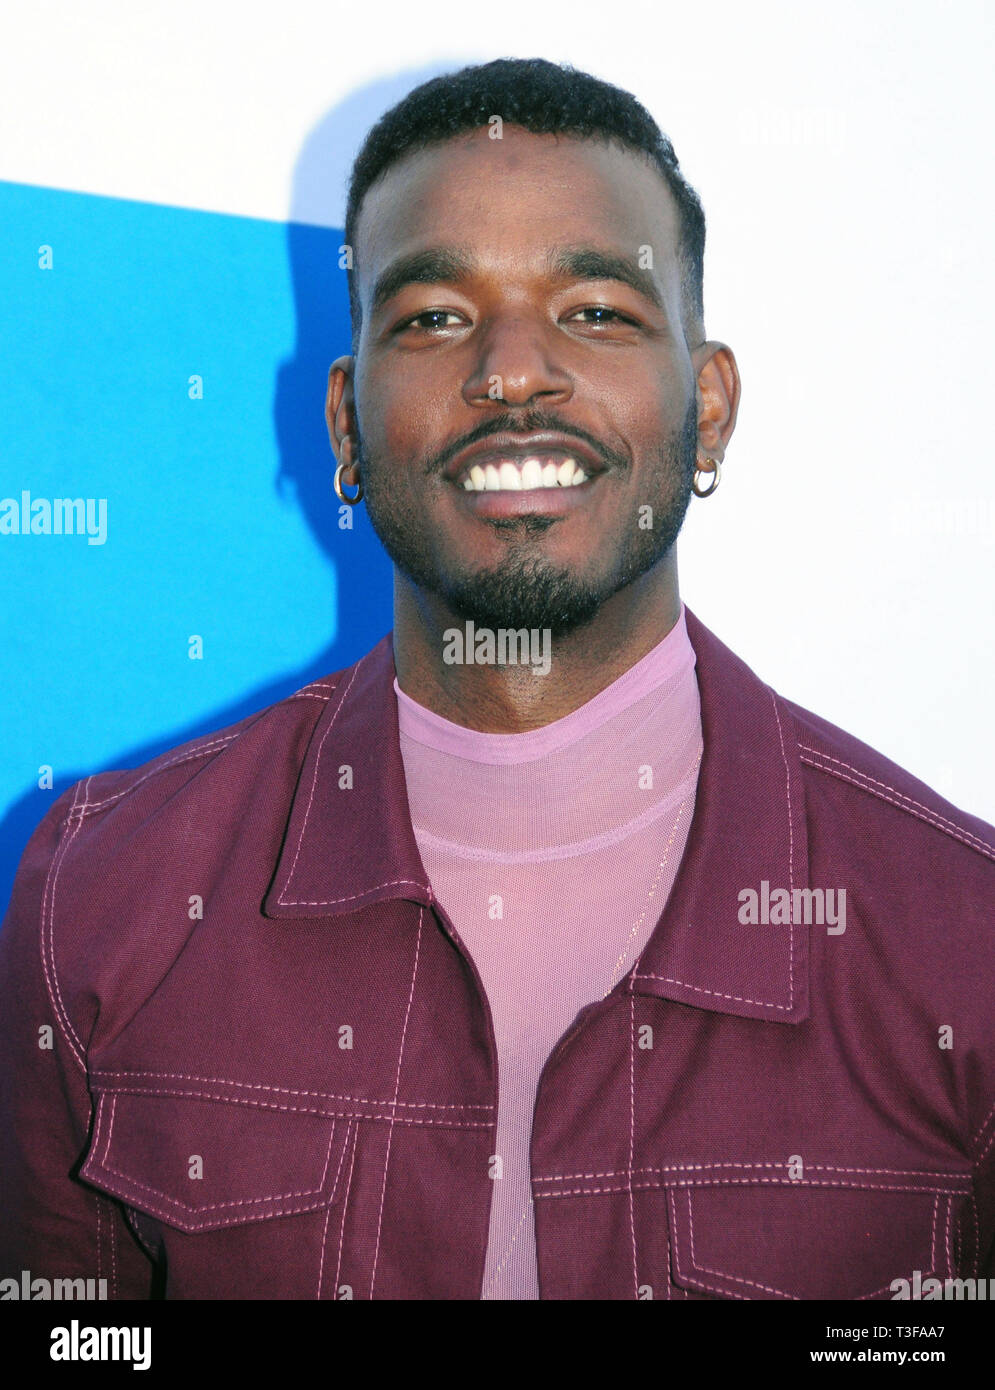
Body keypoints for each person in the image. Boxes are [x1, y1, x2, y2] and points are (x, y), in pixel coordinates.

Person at [2, 57, 993, 1302]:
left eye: (594, 310)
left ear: (711, 405)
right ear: (347, 426)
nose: (512, 372)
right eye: (432, 317)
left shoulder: (963, 941)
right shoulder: (105, 891)